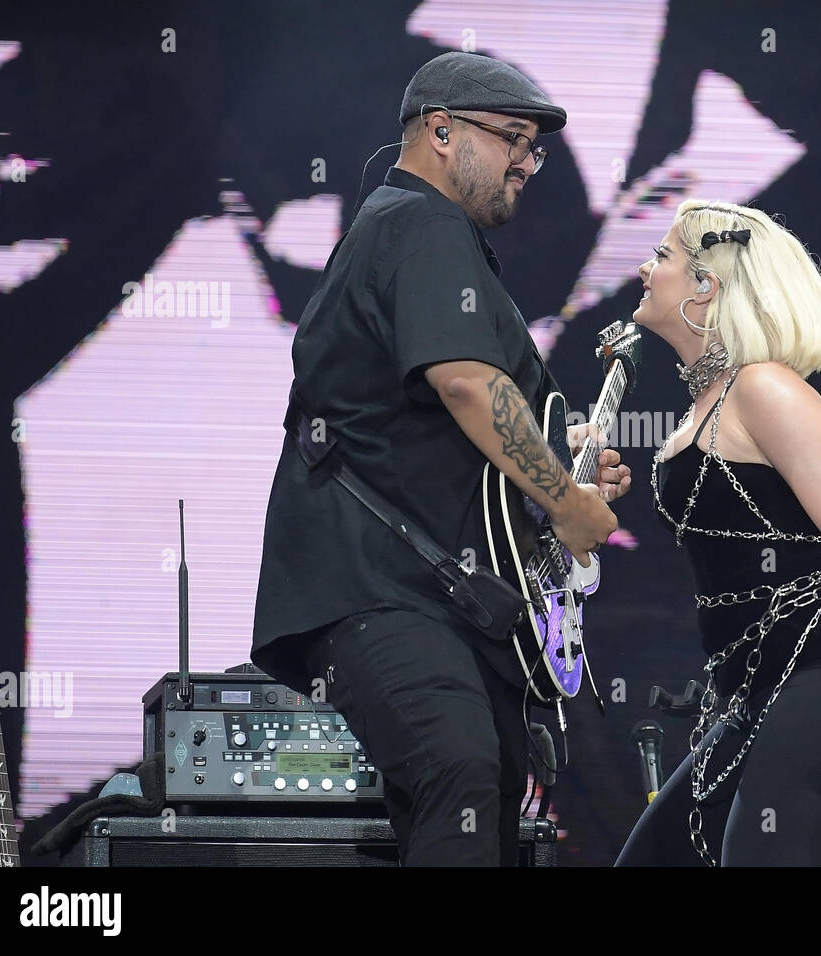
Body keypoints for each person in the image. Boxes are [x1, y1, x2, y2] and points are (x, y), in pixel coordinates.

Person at [250, 52, 630, 866]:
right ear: (441, 130)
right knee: (458, 765)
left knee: (484, 796)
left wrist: (555, 478)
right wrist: (565, 501)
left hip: (442, 599)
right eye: (514, 140)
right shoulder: (419, 222)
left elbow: (458, 433)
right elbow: (464, 381)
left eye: (536, 148)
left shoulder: (420, 235)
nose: (529, 163)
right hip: (381, 591)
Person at [616, 200, 821, 866]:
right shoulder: (695, 414)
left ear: (705, 286)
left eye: (663, 257)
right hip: (751, 690)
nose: (644, 269)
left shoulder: (764, 388)